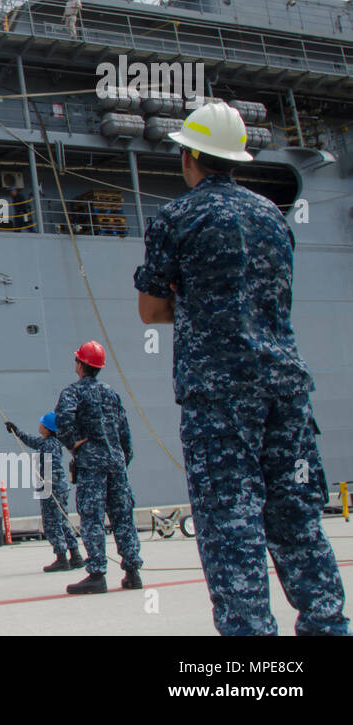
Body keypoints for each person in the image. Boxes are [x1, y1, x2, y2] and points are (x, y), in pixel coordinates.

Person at [134, 100, 348, 636]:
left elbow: (151, 310)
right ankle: (328, 624)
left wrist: (195, 296)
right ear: (237, 158)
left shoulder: (175, 218)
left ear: (188, 157)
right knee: (296, 512)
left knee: (230, 521)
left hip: (219, 394)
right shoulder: (273, 217)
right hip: (286, 390)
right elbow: (274, 298)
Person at [54, 340, 143, 594]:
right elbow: (125, 433)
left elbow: (62, 421)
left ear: (81, 364)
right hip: (116, 463)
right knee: (123, 515)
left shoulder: (73, 392)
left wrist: (74, 444)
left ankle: (97, 573)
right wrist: (122, 459)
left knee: (92, 516)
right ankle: (132, 572)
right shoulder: (112, 393)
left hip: (92, 464)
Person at [6, 412, 83, 572]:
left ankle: (61, 558)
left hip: (51, 486)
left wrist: (49, 485)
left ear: (48, 428)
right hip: (58, 486)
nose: (40, 425)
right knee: (62, 520)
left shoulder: (48, 444)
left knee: (51, 523)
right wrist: (17, 431)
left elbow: (53, 465)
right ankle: (75, 555)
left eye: (42, 424)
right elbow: (32, 441)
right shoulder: (50, 442)